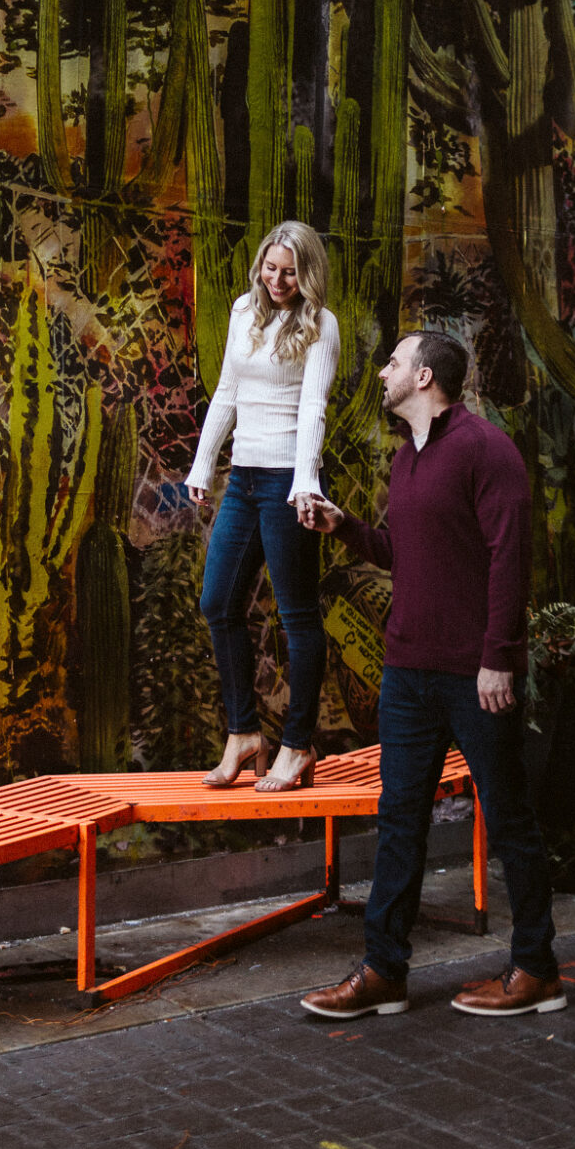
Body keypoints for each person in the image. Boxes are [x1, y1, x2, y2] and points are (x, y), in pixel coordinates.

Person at [297, 329, 564, 1018]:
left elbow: (510, 556)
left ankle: (536, 970)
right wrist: (344, 527)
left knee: (509, 819)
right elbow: (402, 553)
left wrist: (497, 657)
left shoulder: (485, 450)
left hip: (475, 675)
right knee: (399, 821)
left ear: (423, 377)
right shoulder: (407, 459)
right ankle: (383, 972)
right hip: (407, 672)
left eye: (392, 362)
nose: (381, 372)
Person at [185, 222, 341, 794]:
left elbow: (314, 406)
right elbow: (227, 392)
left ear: (308, 274)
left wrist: (306, 481)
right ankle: (244, 733)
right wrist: (203, 465)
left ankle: (297, 746)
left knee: (296, 615)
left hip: (288, 480)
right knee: (218, 602)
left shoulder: (321, 324)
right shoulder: (242, 311)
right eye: (271, 268)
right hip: (245, 478)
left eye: (291, 272)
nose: (278, 280)